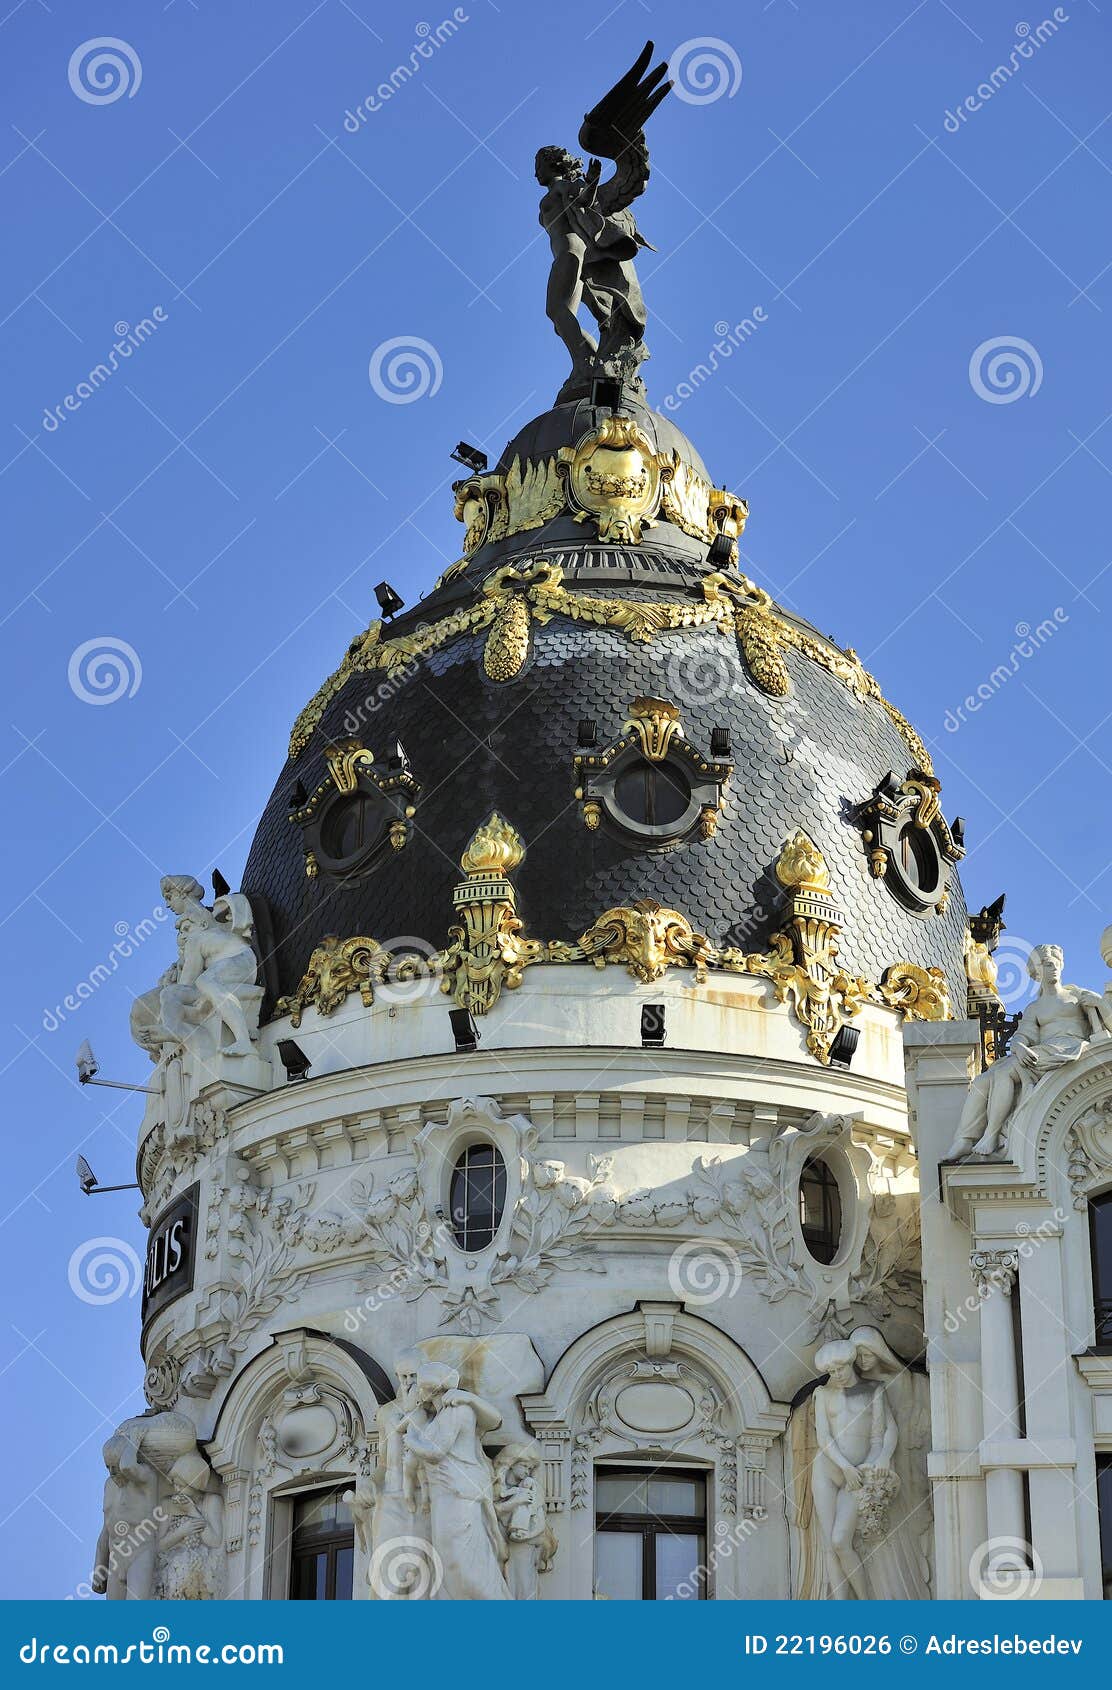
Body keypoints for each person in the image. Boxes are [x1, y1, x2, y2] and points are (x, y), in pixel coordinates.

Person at [403, 1363, 510, 1600]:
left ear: (430, 1389)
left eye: (419, 1386)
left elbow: (436, 1452)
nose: (416, 1391)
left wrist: (409, 1440)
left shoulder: (458, 1410)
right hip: (444, 1496)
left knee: (462, 1562)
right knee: (447, 1560)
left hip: (460, 1493)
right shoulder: (439, 1417)